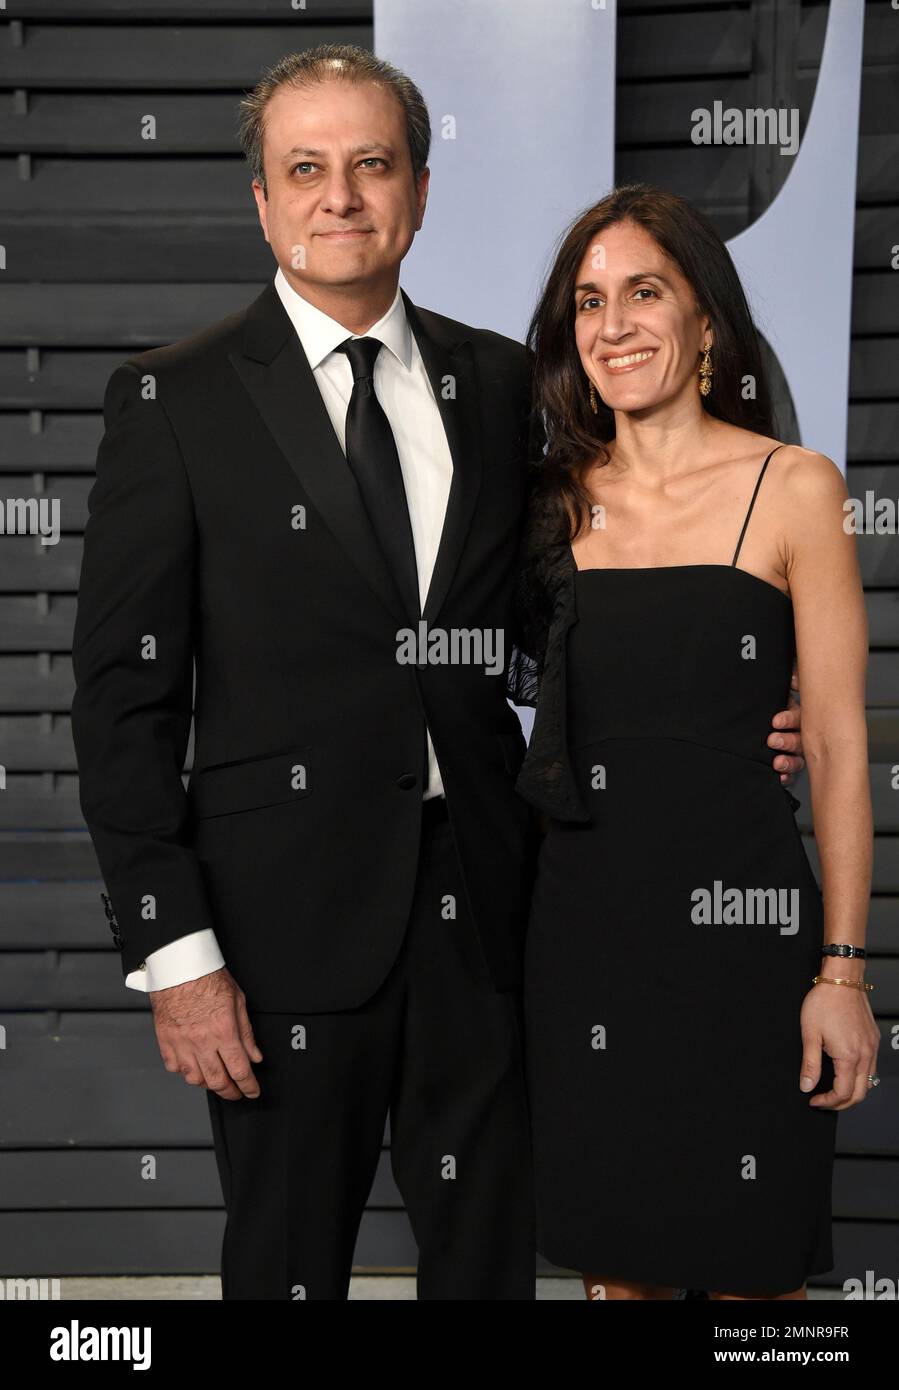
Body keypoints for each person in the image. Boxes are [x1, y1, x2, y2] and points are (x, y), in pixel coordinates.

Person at [70, 42, 805, 1299]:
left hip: (492, 913)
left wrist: (727, 711)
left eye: (370, 164)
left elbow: (549, 622)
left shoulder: (500, 383)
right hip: (274, 933)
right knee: (287, 1263)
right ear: (260, 198)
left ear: (417, 189)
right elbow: (122, 702)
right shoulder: (170, 399)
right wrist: (177, 957)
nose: (338, 196)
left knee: (486, 1267)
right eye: (304, 169)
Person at [507, 184, 879, 1301]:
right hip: (583, 937)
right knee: (615, 1273)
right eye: (586, 301)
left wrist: (843, 972)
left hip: (747, 941)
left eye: (642, 292)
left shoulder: (792, 485)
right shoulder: (546, 504)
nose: (611, 324)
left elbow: (837, 747)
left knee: (755, 1270)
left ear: (705, 320)